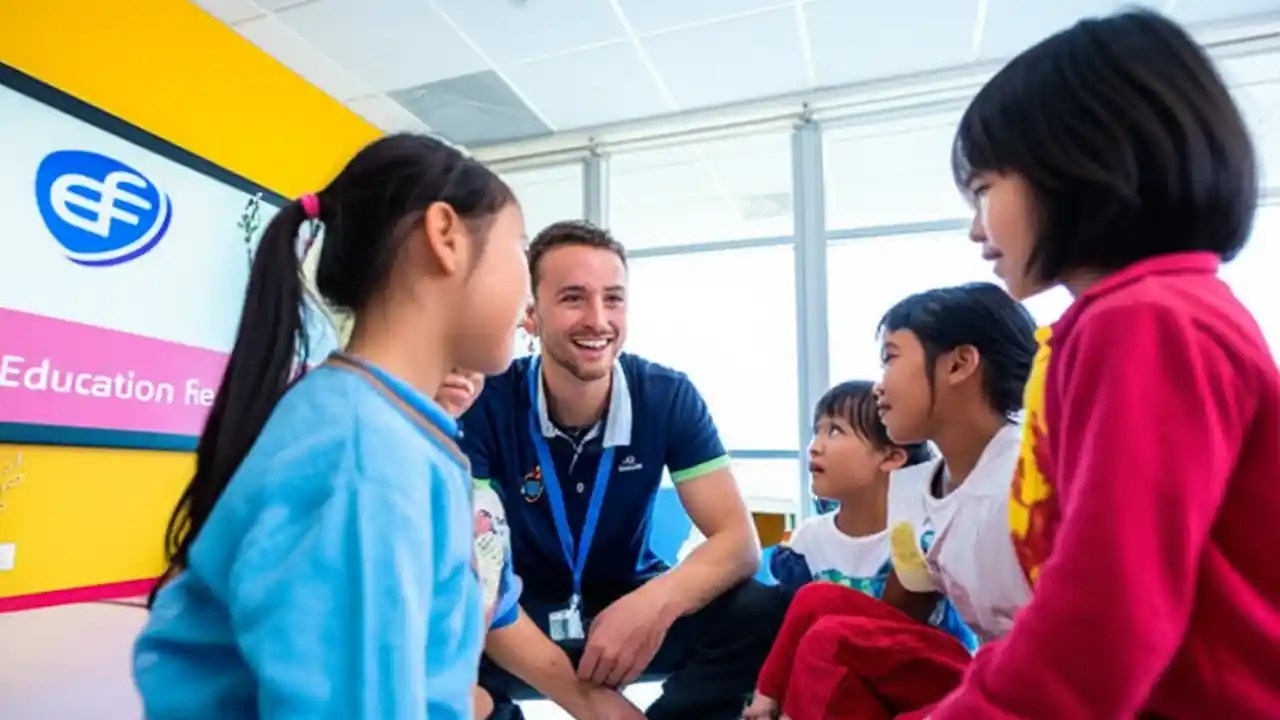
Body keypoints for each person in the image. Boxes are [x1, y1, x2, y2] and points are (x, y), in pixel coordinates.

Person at [929, 10, 1280, 718]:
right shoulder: (1159, 312)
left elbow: (1105, 611)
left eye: (987, 189)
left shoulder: (1145, 322)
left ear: (1079, 165)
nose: (975, 227)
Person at [133, 133, 530, 720]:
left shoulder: (384, 428)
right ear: (445, 236)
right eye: (520, 248)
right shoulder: (365, 455)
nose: (530, 306)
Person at [460, 220, 788, 719]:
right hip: (515, 620)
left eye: (613, 299)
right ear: (531, 313)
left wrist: (653, 604)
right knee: (435, 628)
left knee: (762, 611)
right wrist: (590, 704)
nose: (598, 319)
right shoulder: (487, 399)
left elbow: (736, 543)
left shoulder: (666, 395)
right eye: (573, 298)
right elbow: (479, 579)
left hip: (624, 608)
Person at [754, 282, 1037, 719]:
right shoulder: (917, 489)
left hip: (1035, 689)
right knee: (820, 605)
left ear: (959, 364)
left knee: (830, 640)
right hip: (981, 673)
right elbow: (899, 616)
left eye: (890, 358)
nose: (879, 387)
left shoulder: (1027, 478)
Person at [742, 380, 974, 720]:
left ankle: (765, 705)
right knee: (815, 618)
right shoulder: (808, 541)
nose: (814, 447)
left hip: (923, 677)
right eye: (815, 432)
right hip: (849, 687)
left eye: (835, 431)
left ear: (891, 457)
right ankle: (764, 705)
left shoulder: (920, 527)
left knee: (825, 631)